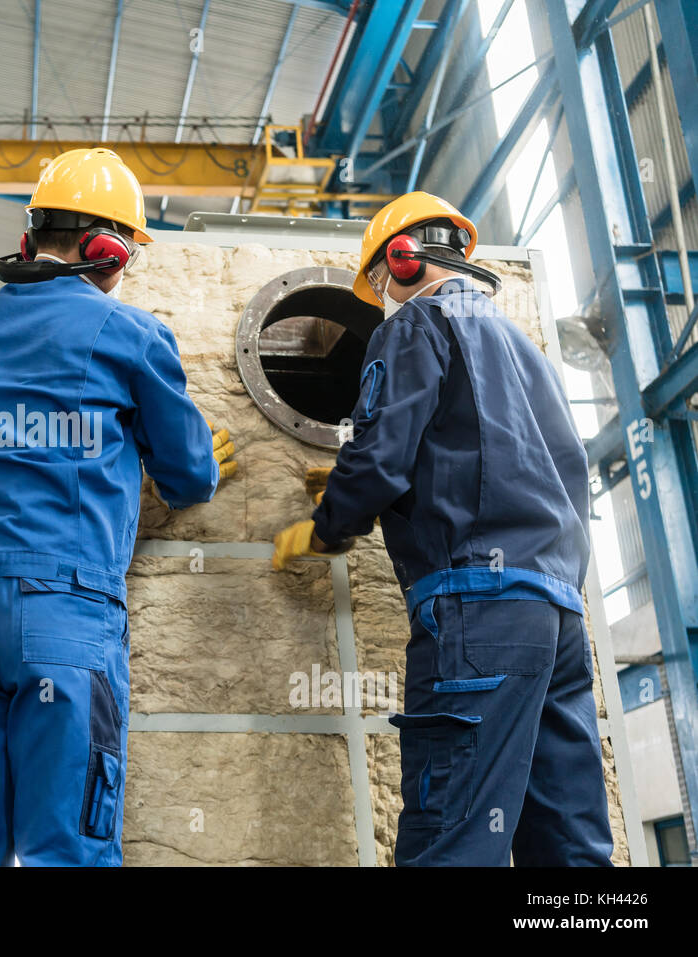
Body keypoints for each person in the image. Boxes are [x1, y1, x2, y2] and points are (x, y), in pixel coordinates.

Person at [0, 148, 236, 866]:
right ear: (108, 252)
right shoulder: (130, 334)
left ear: (29, 241)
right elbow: (190, 477)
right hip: (63, 616)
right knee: (67, 851)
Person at [272, 191, 613, 866]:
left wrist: (327, 524)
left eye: (377, 285)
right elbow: (510, 461)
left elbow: (379, 453)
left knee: (449, 835)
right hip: (559, 620)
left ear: (399, 262)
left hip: (477, 614)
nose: (381, 303)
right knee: (570, 845)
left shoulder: (416, 326)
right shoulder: (525, 350)